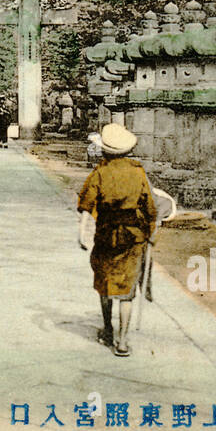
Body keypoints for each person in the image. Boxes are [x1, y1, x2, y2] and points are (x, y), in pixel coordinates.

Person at [76, 123, 158, 358]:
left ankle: (108, 330)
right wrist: (151, 231)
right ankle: (122, 341)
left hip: (106, 235)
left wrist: (81, 233)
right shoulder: (138, 172)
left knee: (105, 284)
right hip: (133, 238)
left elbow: (86, 205)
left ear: (105, 150)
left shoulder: (100, 173)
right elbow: (150, 208)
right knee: (126, 290)